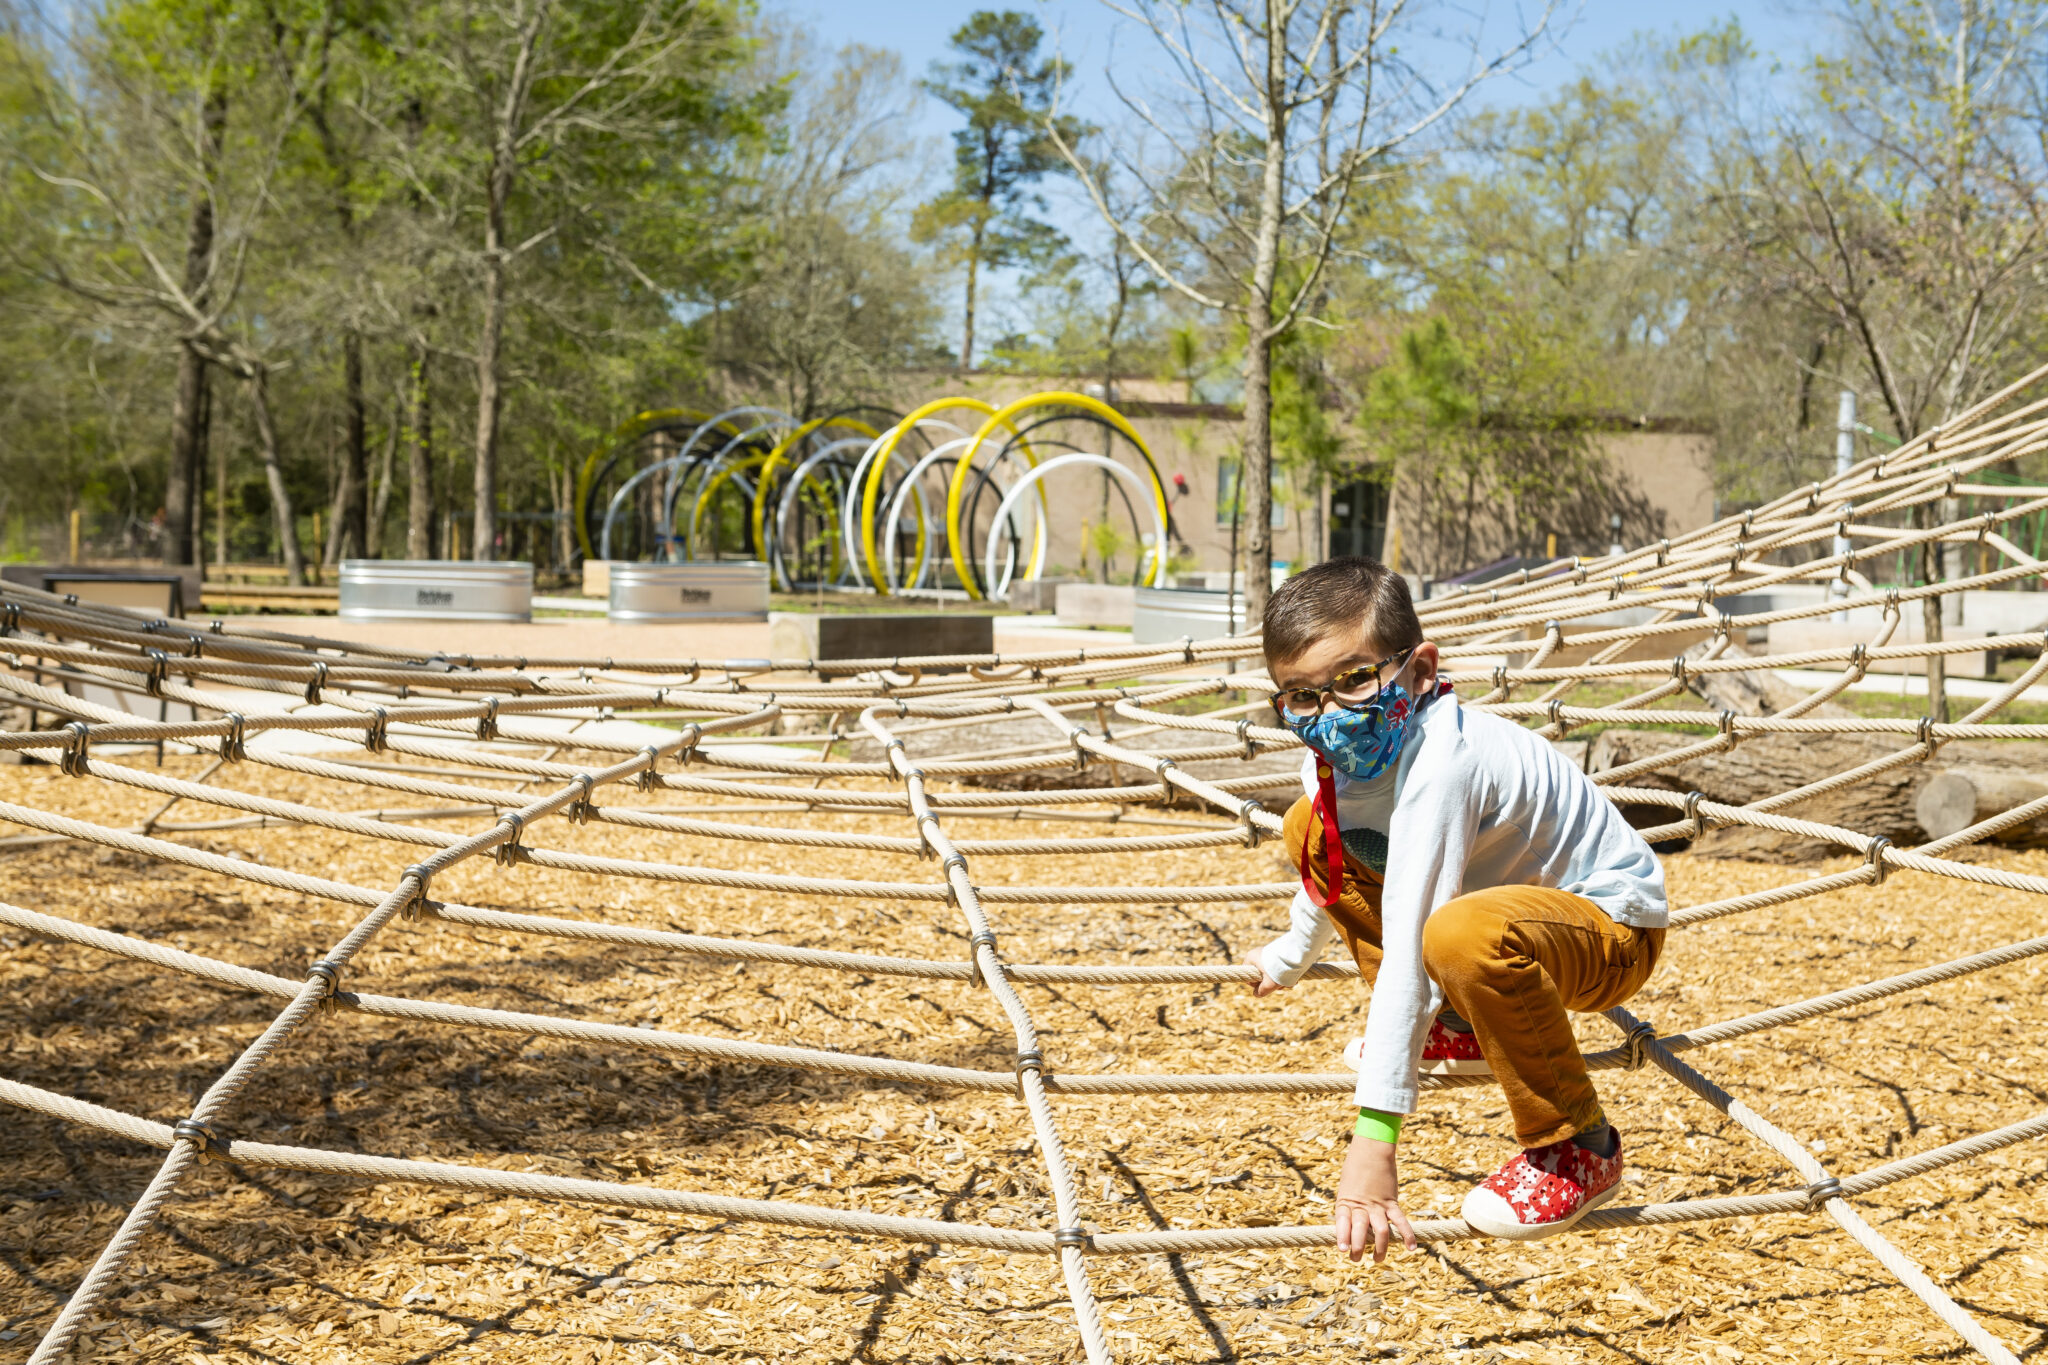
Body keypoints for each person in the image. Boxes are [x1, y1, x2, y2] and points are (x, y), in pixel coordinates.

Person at [1244, 557, 1667, 1261]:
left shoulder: (1443, 762)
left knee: (1459, 933)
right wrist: (1288, 956)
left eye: (1354, 679)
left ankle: (1578, 1146)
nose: (1331, 714)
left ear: (1418, 669)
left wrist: (1374, 1139)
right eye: (1301, 695)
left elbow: (1414, 937)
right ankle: (1458, 1026)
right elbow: (1331, 863)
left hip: (1611, 928)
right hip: (1506, 924)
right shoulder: (1334, 760)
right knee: (1305, 825)